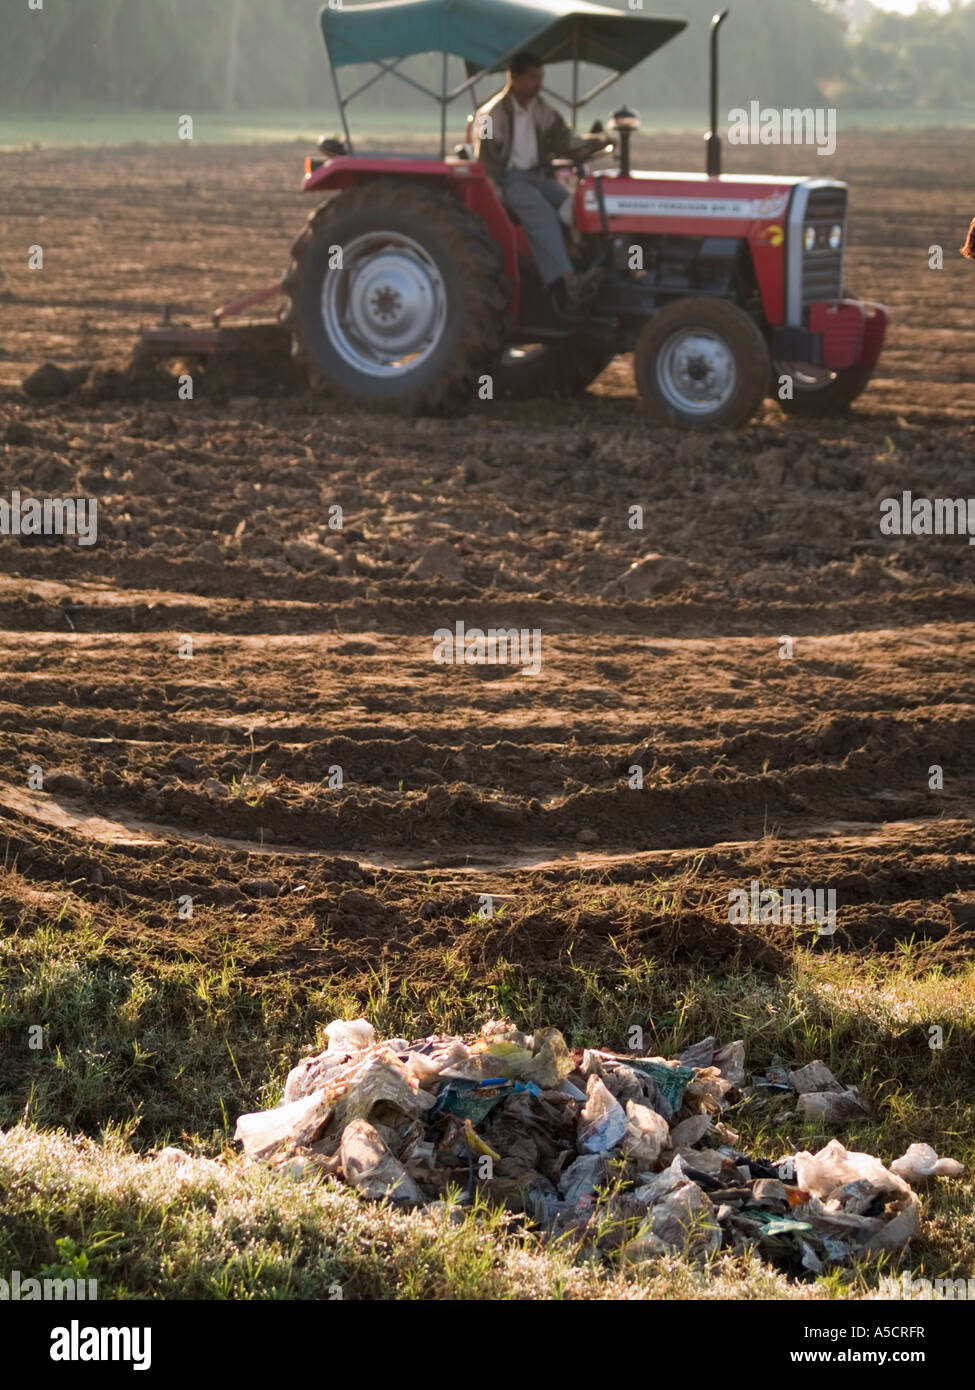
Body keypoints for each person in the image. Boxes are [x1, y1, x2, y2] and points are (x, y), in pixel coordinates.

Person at [472, 51, 605, 307]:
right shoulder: (491, 115)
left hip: (538, 176)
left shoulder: (542, 110)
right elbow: (486, 157)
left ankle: (586, 259)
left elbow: (566, 141)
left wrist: (595, 144)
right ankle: (568, 281)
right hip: (511, 179)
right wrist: (494, 190)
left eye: (540, 77)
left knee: (574, 204)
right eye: (532, 78)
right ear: (514, 77)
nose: (538, 84)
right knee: (541, 214)